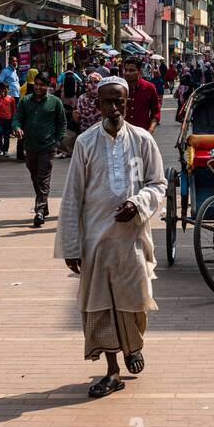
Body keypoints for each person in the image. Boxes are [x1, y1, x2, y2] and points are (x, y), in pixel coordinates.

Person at [56, 77, 167, 399]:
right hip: (96, 240)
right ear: (99, 104)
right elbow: (73, 194)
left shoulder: (144, 140)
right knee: (100, 305)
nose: (114, 108)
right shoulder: (86, 143)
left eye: (120, 102)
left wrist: (137, 202)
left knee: (135, 302)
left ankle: (133, 346)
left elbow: (158, 183)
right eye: (108, 102)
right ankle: (112, 370)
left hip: (131, 237)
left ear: (127, 103)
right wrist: (71, 245)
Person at [14, 72, 68, 227]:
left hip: (48, 146)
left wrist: (56, 141)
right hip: (30, 146)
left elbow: (62, 124)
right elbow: (17, 118)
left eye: (42, 85)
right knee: (35, 177)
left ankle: (39, 211)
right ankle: (44, 207)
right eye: (37, 84)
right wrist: (17, 128)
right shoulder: (25, 101)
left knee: (43, 178)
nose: (39, 87)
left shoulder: (55, 102)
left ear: (48, 86)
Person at [122, 57, 161, 133]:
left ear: (139, 71)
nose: (127, 73)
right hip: (123, 134)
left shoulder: (149, 87)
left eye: (131, 70)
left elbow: (156, 113)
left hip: (143, 134)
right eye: (126, 70)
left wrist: (150, 130)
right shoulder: (120, 88)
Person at [0, 83, 16, 158]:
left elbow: (13, 110)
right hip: (0, 119)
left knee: (6, 135)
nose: (4, 91)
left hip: (8, 119)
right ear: (0, 90)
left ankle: (6, 150)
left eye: (5, 89)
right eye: (2, 89)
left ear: (8, 90)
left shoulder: (11, 99)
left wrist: (13, 120)